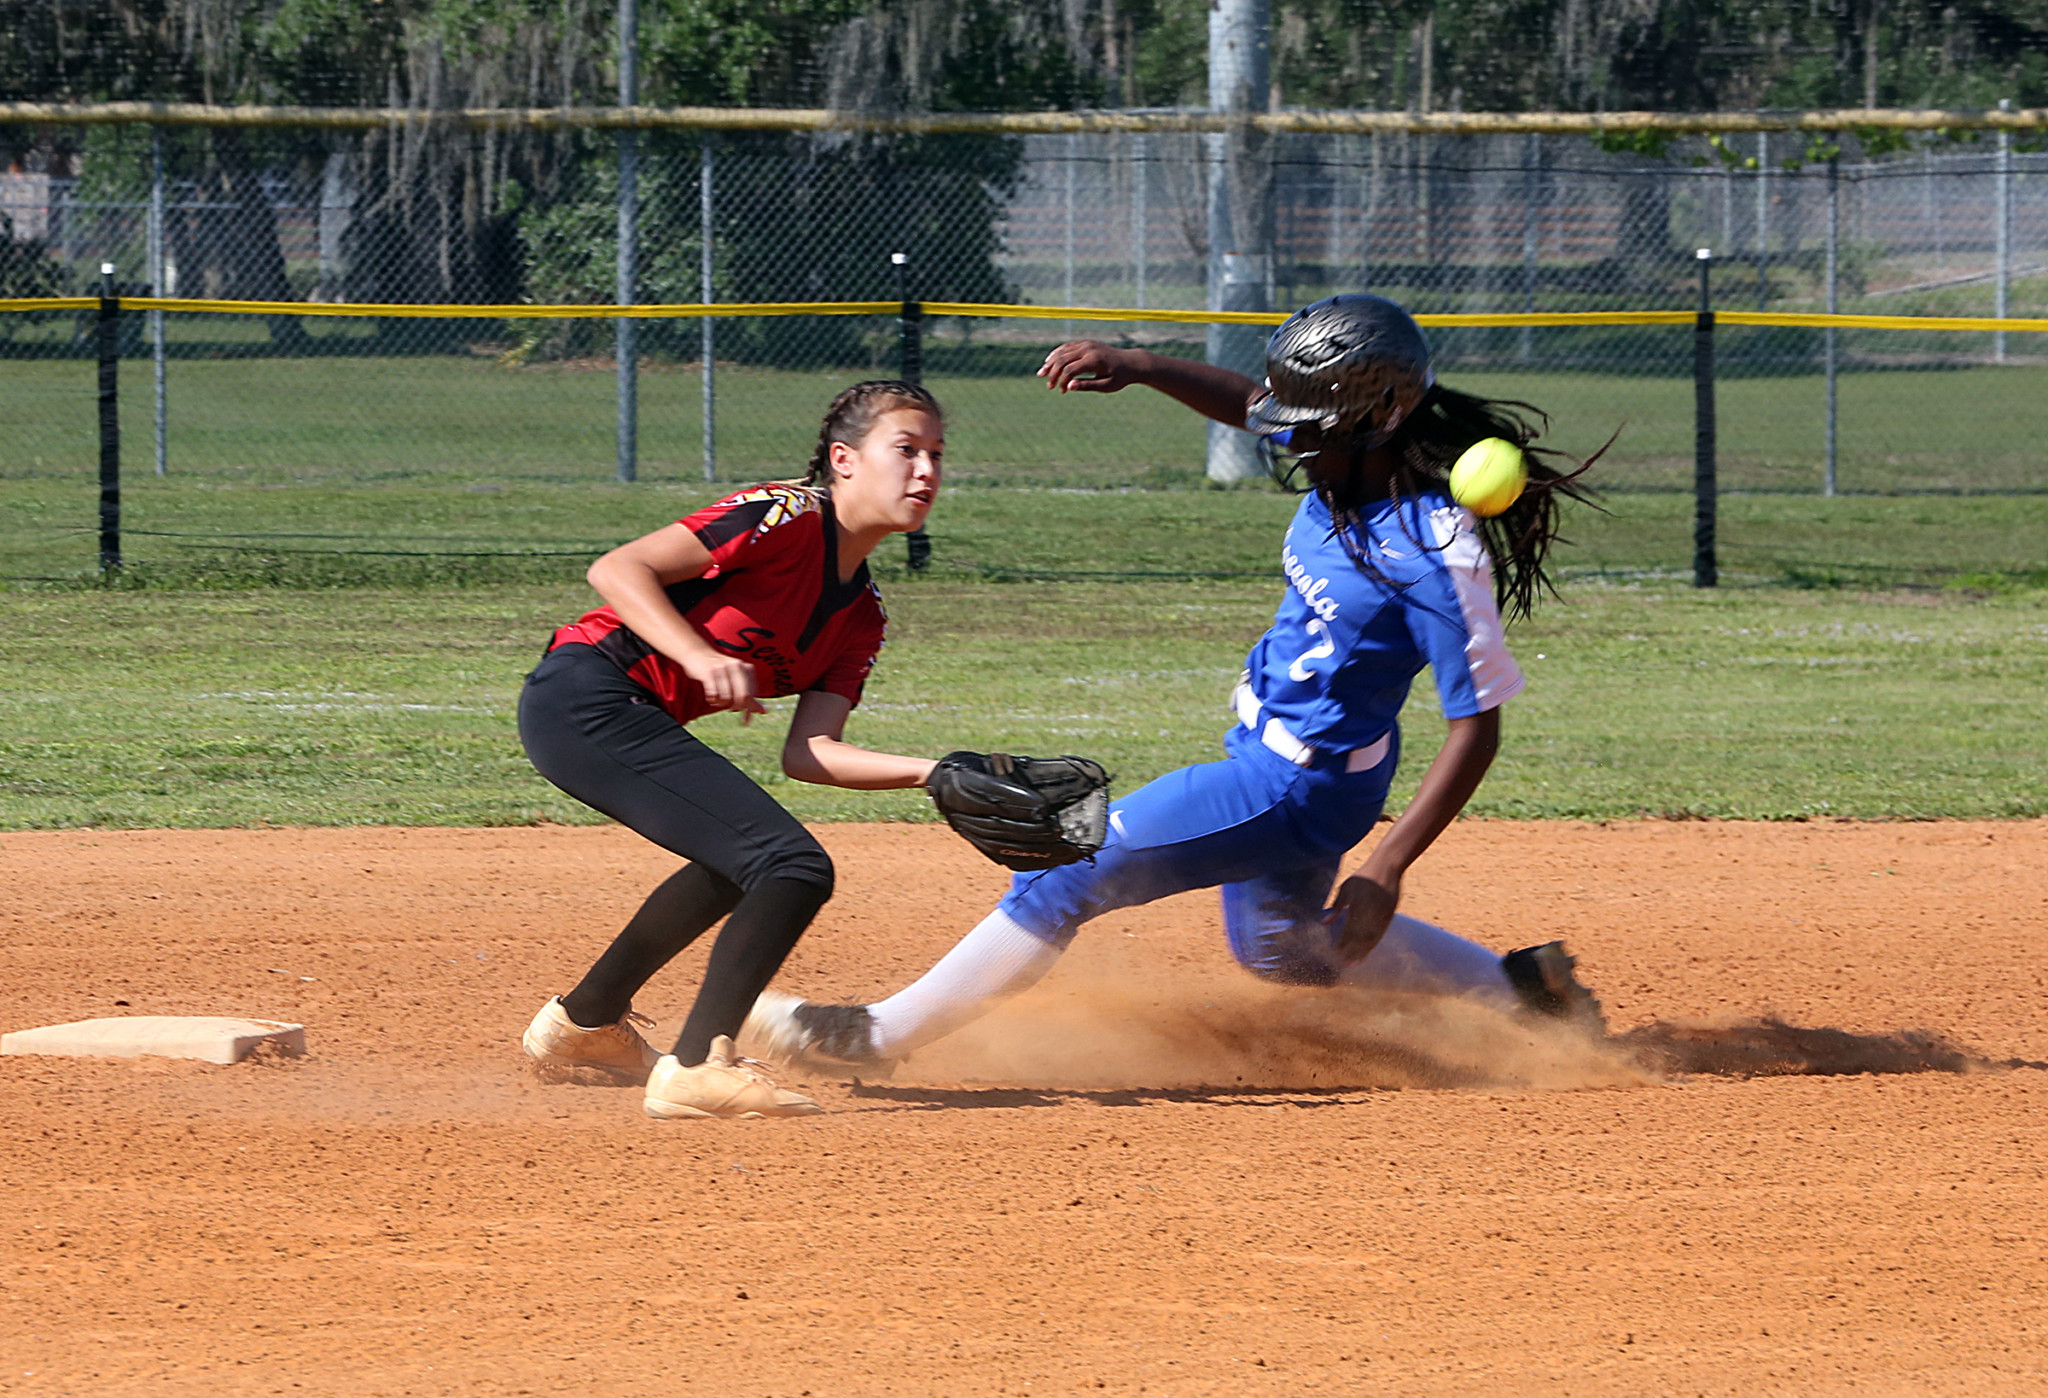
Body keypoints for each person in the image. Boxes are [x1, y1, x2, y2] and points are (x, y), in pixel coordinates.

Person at [742, 295, 1606, 1074]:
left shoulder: (1432, 551)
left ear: (1376, 418)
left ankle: (874, 1037)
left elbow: (1477, 728)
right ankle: (1524, 992)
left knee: (1068, 869)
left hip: (1294, 784)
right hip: (1294, 760)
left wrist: (1386, 865)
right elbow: (1249, 405)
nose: (1289, 438)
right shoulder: (1341, 457)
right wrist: (1142, 365)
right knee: (1283, 951)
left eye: (1312, 426)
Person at [518, 379, 951, 1120]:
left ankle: (583, 1023)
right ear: (844, 460)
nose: (927, 472)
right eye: (906, 450)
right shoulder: (785, 514)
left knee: (743, 861)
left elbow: (811, 752)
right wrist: (693, 653)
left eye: (938, 456)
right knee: (792, 865)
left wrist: (940, 773)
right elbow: (618, 569)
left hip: (625, 711)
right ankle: (696, 1065)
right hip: (585, 693)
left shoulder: (863, 615)